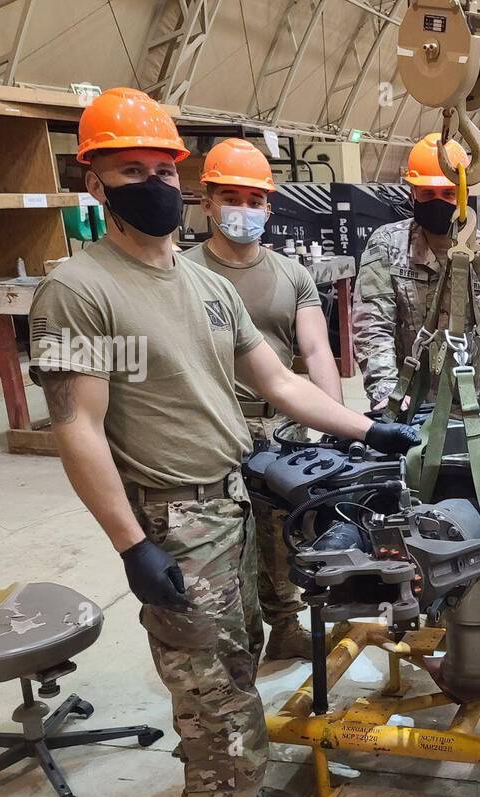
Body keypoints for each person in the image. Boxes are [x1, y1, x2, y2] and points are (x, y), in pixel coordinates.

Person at [30, 88, 418, 797]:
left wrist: (361, 429)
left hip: (232, 502)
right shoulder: (78, 288)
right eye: (131, 168)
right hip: (172, 516)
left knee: (230, 662)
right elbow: (77, 426)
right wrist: (131, 544)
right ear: (93, 179)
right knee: (216, 685)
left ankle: (207, 794)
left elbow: (275, 378)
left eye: (165, 167)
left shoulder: (204, 285)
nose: (155, 183)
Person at [182, 138, 340, 663]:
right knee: (224, 543)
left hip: (284, 430)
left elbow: (317, 350)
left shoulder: (293, 276)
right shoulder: (182, 275)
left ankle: (285, 624)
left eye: (255, 200)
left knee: (283, 534)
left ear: (270, 207)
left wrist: (337, 424)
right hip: (216, 429)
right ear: (207, 202)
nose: (244, 211)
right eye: (231, 197)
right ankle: (231, 642)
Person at [351, 133, 480, 423]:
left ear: (463, 194)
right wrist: (386, 392)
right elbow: (372, 324)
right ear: (412, 194)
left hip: (477, 407)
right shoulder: (387, 246)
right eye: (427, 194)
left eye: (447, 193)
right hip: (409, 404)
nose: (438, 202)